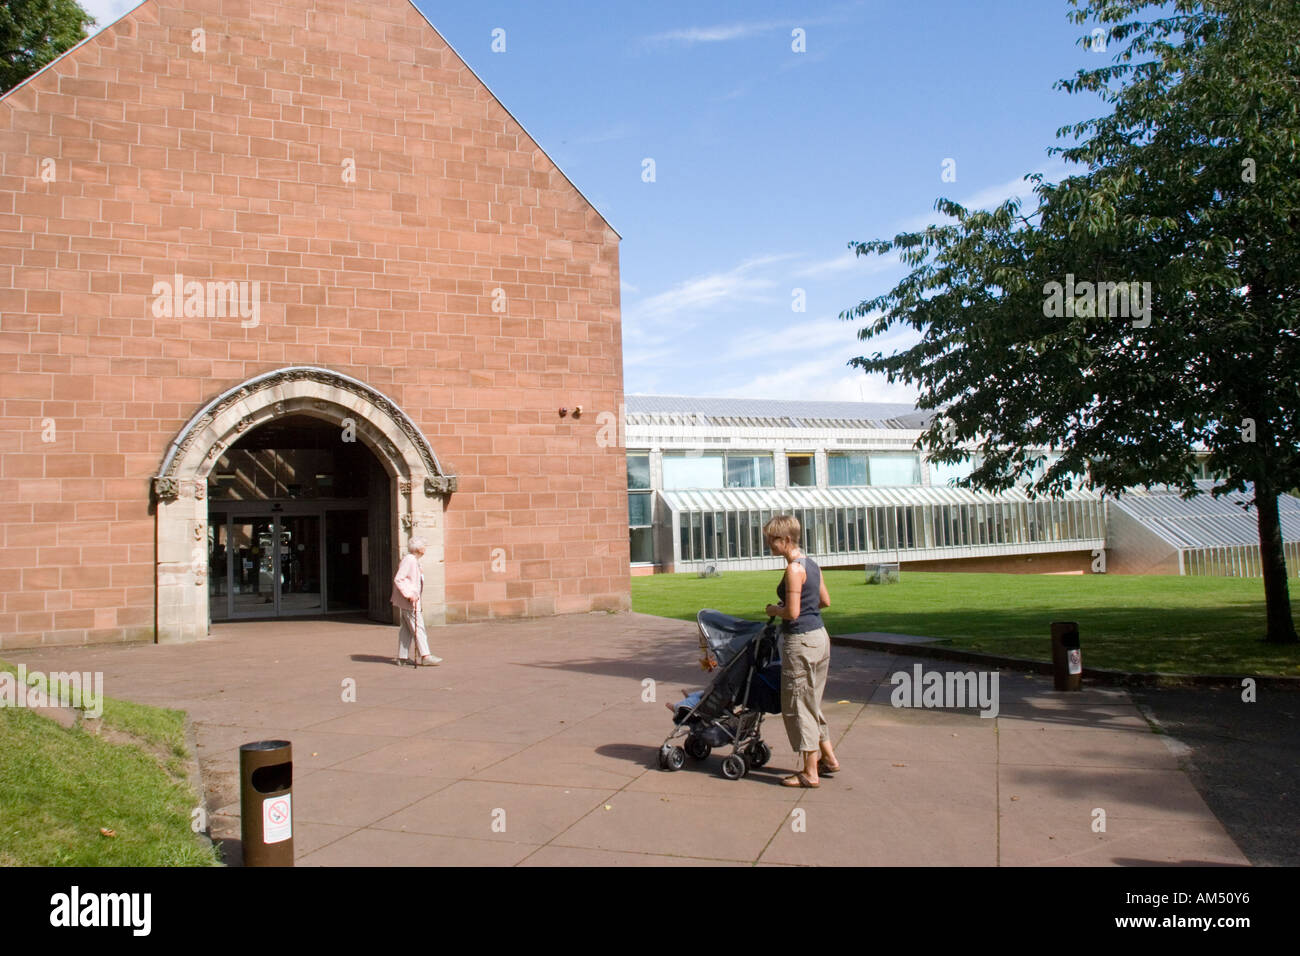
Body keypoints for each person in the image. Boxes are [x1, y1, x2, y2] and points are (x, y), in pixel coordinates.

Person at [763, 514, 840, 788]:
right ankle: (829, 759)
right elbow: (825, 601)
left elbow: (792, 613)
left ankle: (810, 772)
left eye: (772, 540)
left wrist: (774, 610)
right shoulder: (812, 564)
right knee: (812, 702)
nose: (769, 545)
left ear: (785, 539)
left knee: (797, 705)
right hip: (820, 637)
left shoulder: (794, 569)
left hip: (801, 642)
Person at [391, 537, 442, 667]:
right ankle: (425, 656)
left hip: (409, 600)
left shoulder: (413, 560)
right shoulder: (410, 560)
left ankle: (402, 657)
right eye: (424, 546)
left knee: (407, 629)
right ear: (419, 549)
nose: (425, 548)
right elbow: (399, 579)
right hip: (409, 601)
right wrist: (409, 594)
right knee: (418, 627)